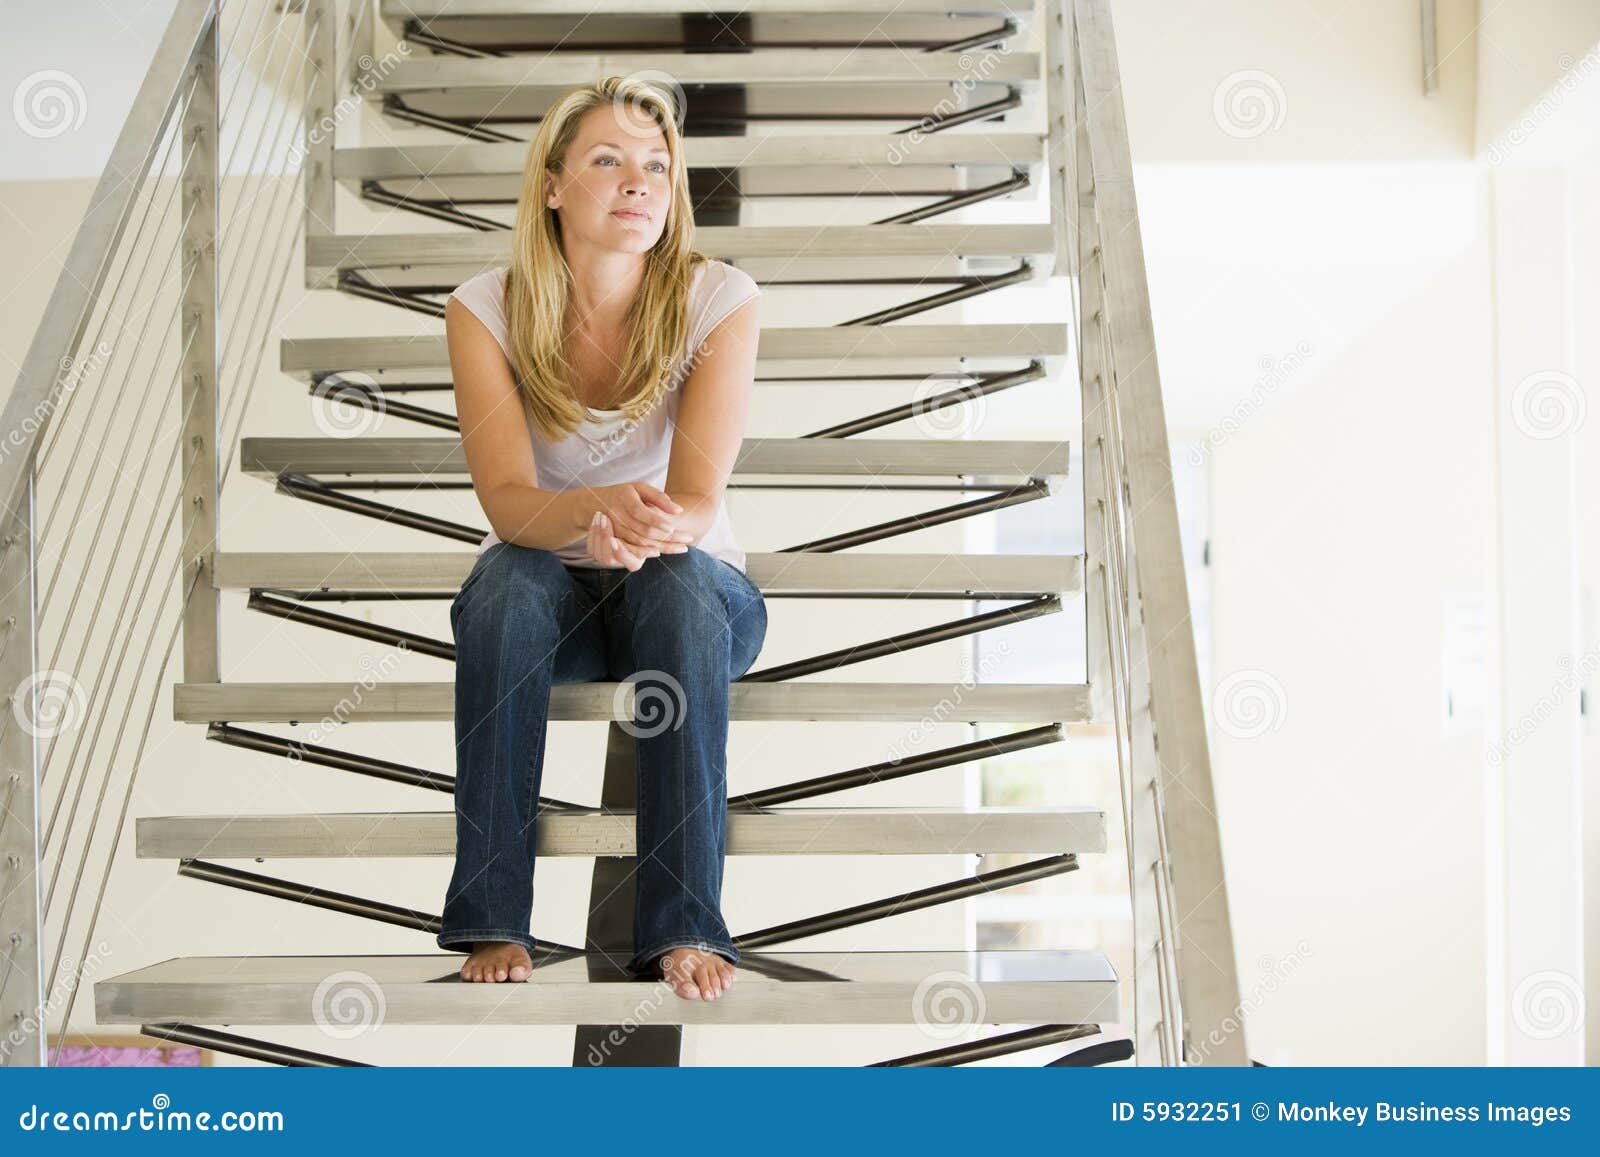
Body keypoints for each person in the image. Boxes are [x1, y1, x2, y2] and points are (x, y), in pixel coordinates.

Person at [436, 76, 766, 1003]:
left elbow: (700, 498)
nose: (639, 182)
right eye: (608, 160)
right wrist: (591, 515)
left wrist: (653, 522)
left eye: (657, 166)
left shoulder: (718, 298)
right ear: (552, 184)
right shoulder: (485, 308)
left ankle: (686, 924)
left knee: (678, 581)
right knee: (504, 577)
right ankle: (493, 915)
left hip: (694, 597)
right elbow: (506, 502)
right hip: (560, 602)